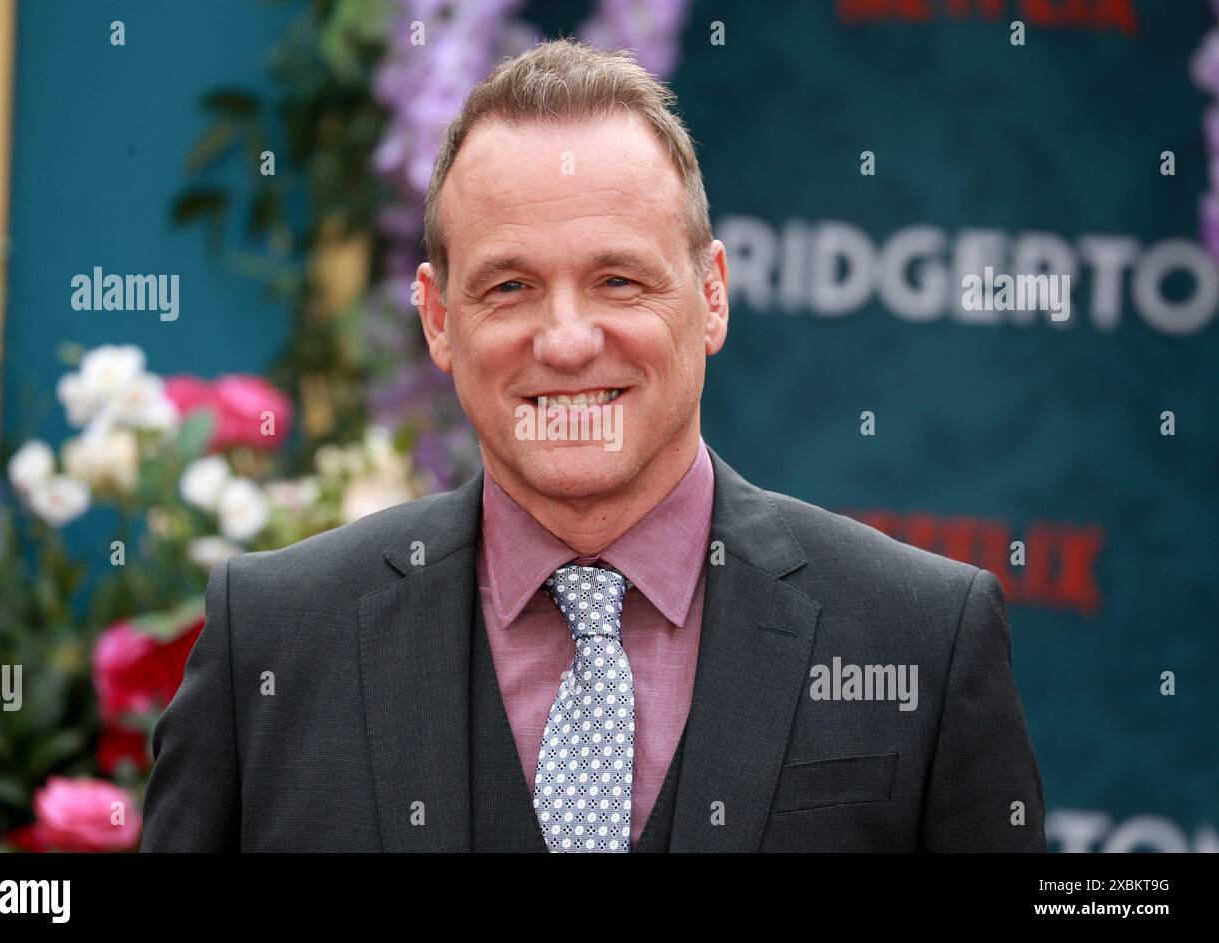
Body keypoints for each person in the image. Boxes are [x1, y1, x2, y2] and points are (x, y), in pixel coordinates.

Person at [140, 39, 1044, 853]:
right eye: (509, 287)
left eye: (618, 279)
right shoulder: (273, 641)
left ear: (713, 294)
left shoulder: (923, 637)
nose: (566, 340)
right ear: (437, 319)